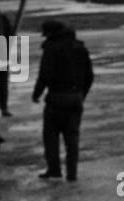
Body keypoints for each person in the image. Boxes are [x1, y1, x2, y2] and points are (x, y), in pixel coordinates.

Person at [32, 20, 93, 182]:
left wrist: (36, 94)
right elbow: (89, 76)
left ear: (50, 33)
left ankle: (54, 170)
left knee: (51, 135)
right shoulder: (80, 48)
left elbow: (44, 75)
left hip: (56, 98)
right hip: (75, 99)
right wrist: (81, 94)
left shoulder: (52, 49)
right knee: (72, 138)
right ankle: (72, 174)